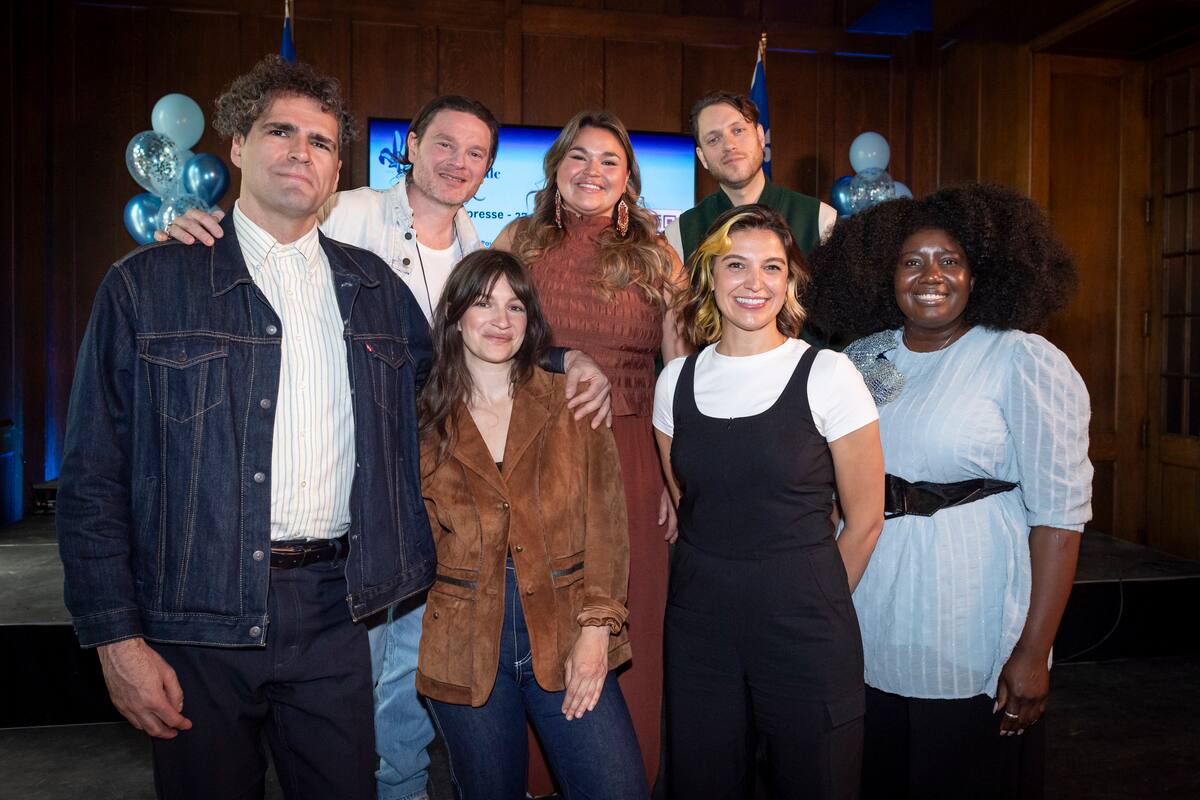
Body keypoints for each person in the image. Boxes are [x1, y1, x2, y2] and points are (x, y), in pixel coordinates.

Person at [158, 94, 612, 800]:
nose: (459, 163)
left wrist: (570, 357)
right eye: (445, 144)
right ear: (412, 142)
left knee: (399, 701)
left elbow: (506, 339)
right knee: (337, 706)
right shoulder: (344, 211)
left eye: (476, 154)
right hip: (338, 503)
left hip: (429, 507)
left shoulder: (485, 247)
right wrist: (200, 229)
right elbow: (260, 231)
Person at [56, 56, 431, 799]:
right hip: (197, 614)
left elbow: (456, 390)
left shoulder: (378, 291)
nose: (301, 152)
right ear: (235, 145)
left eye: (321, 142)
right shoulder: (147, 285)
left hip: (336, 611)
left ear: (336, 169)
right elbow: (93, 478)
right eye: (280, 131)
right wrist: (116, 643)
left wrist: (567, 363)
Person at [806, 184, 1093, 799]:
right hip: (870, 605)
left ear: (980, 273)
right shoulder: (862, 357)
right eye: (912, 261)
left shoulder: (1021, 359)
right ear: (885, 274)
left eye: (949, 260)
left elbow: (1060, 519)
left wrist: (1033, 651)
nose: (930, 275)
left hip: (970, 615)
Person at [653, 204, 884, 799]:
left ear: (789, 283)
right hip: (700, 615)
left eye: (772, 268)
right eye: (737, 266)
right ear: (710, 278)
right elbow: (690, 501)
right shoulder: (674, 381)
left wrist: (815, 597)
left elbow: (864, 521)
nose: (754, 284)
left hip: (804, 617)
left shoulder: (830, 374)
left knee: (816, 780)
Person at [493, 109, 689, 790]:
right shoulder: (518, 239)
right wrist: (563, 355)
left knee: (629, 615)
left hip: (633, 455)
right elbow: (484, 342)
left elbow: (679, 376)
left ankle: (622, 775)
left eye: (609, 161)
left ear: (629, 180)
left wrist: (673, 480)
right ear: (555, 170)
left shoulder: (659, 255)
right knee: (542, 615)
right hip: (538, 452)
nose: (592, 172)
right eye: (578, 157)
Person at [415, 249, 647, 800]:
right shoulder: (422, 419)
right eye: (483, 303)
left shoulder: (572, 399)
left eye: (515, 306)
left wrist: (597, 630)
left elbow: (608, 527)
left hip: (567, 626)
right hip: (465, 640)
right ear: (453, 314)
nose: (500, 319)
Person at [663, 91, 837, 264]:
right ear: (702, 157)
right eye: (714, 139)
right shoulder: (680, 234)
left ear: (761, 137)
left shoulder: (820, 220)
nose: (729, 145)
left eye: (738, 131)